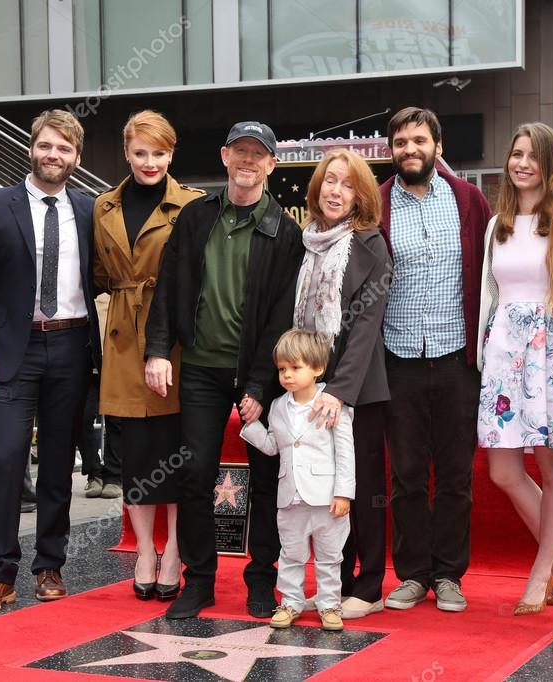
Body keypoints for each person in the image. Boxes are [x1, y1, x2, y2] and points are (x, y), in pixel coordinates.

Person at [145, 121, 305, 620]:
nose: (248, 161)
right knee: (195, 473)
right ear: (224, 155)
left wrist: (259, 384)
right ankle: (201, 580)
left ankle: (261, 579)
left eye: (258, 154)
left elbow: (283, 316)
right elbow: (169, 287)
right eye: (240, 151)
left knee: (265, 478)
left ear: (272, 164)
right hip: (200, 370)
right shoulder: (196, 218)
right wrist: (156, 349)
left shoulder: (285, 231)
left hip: (258, 376)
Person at [0, 110, 101, 614]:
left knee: (60, 464)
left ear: (76, 157)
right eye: (46, 145)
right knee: (3, 459)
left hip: (71, 347)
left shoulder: (89, 211)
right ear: (31, 148)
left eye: (64, 149)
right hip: (9, 354)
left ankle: (50, 566)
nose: (53, 155)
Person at [378, 107, 491, 613]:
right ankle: (411, 575)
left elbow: (491, 275)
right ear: (391, 150)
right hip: (397, 357)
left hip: (457, 359)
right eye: (400, 142)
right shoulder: (375, 203)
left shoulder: (470, 201)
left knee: (454, 475)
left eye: (419, 140)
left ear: (437, 146)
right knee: (404, 474)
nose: (410, 149)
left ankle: (448, 575)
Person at [93, 110, 204, 601]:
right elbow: (98, 271)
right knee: (135, 454)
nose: (150, 162)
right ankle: (144, 550)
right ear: (126, 152)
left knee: (177, 451)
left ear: (171, 154)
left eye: (159, 153)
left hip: (175, 343)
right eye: (141, 152)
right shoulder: (102, 207)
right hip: (121, 338)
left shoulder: (194, 206)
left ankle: (175, 550)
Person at [477, 122, 553, 616]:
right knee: (502, 469)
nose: (521, 163)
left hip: (548, 350)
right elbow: (486, 297)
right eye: (515, 154)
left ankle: (543, 573)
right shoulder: (499, 225)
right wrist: (482, 355)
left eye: (532, 156)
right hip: (502, 354)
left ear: (549, 161)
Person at [292, 149, 391, 619]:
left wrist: (338, 391)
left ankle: (370, 587)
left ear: (361, 194)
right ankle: (339, 583)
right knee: (329, 493)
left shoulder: (370, 244)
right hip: (313, 388)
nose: (335, 190)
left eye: (347, 184)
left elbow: (367, 328)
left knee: (362, 489)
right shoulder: (307, 242)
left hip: (357, 392)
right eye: (329, 181)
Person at [240, 329, 355, 631]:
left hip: (327, 496)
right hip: (290, 496)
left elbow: (345, 452)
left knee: (330, 556)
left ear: (317, 368)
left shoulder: (332, 402)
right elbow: (272, 447)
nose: (287, 375)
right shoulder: (278, 406)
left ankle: (330, 605)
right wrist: (251, 427)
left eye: (295, 367)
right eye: (282, 369)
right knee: (290, 553)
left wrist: (344, 492)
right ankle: (290, 602)